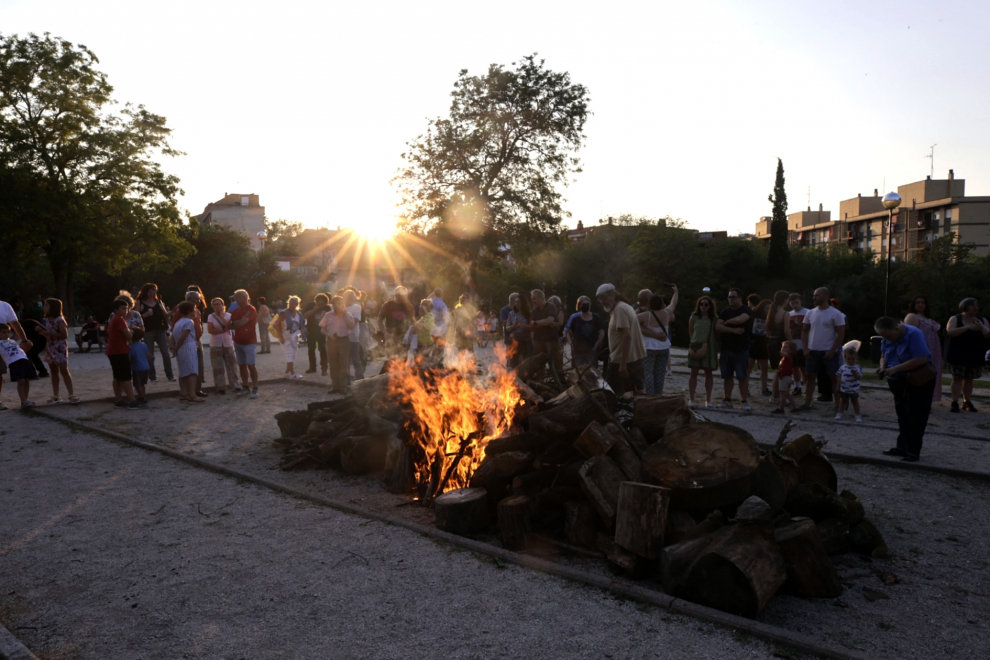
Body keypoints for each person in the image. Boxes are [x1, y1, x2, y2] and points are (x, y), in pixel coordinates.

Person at [876, 316, 936, 462]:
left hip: (918, 379)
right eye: (884, 337)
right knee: (902, 414)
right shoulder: (888, 336)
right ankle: (902, 447)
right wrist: (883, 367)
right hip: (899, 381)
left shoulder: (914, 334)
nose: (888, 340)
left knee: (916, 415)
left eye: (889, 336)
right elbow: (883, 354)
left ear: (896, 328)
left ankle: (913, 451)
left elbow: (921, 358)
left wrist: (895, 369)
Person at [795, 288, 846, 412]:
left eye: (817, 296)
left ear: (825, 296)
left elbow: (841, 334)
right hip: (812, 351)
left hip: (828, 352)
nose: (814, 298)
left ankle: (838, 405)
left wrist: (832, 350)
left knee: (834, 378)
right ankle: (807, 403)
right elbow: (804, 331)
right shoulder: (810, 313)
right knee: (810, 377)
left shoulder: (836, 314)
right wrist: (805, 349)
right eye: (814, 295)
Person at [597, 284, 646, 395]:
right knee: (639, 392)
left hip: (621, 360)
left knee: (611, 394)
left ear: (613, 295)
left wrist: (622, 364)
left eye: (604, 298)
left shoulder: (619, 310)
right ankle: (639, 411)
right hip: (635, 358)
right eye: (599, 298)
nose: (601, 301)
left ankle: (612, 412)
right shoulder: (625, 306)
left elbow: (627, 336)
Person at [945, 297, 990, 413]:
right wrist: (967, 327)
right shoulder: (956, 318)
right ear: (964, 306)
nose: (975, 307)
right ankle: (954, 402)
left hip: (975, 354)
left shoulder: (982, 319)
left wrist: (982, 327)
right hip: (957, 353)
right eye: (972, 305)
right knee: (957, 378)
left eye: (977, 305)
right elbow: (950, 332)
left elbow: (988, 335)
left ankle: (967, 401)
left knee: (969, 379)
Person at [715, 288, 753, 411]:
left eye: (733, 297)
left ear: (740, 298)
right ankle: (727, 399)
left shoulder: (747, 310)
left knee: (742, 376)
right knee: (727, 376)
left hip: (741, 349)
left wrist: (727, 322)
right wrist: (733, 330)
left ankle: (744, 401)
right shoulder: (725, 311)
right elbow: (718, 327)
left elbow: (740, 320)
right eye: (729, 297)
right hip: (726, 348)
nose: (730, 299)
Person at [903, 295, 942, 403]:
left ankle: (927, 400)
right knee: (920, 374)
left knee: (930, 374)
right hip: (921, 350)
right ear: (913, 305)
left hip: (934, 351)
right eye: (917, 302)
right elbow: (909, 335)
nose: (920, 304)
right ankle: (916, 400)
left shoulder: (929, 319)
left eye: (923, 302)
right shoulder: (912, 317)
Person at [38, 298, 78, 404]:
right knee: (54, 371)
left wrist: (48, 334)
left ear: (53, 307)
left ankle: (71, 394)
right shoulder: (48, 319)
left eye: (46, 305)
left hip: (59, 347)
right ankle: (56, 395)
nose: (44, 307)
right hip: (50, 347)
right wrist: (43, 332)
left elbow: (64, 335)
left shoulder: (59, 320)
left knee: (64, 370)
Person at [107, 299, 142, 409]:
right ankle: (132, 400)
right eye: (122, 308)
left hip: (113, 351)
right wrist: (131, 331)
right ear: (116, 310)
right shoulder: (119, 320)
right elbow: (129, 335)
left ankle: (119, 400)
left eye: (126, 308)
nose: (125, 310)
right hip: (120, 351)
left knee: (117, 376)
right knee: (126, 377)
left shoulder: (114, 319)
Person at [171, 291, 208, 397]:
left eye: (199, 299)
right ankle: (190, 392)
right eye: (196, 299)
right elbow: (178, 331)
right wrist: (175, 346)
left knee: (198, 366)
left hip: (195, 340)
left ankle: (196, 389)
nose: (199, 301)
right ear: (189, 300)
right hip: (188, 344)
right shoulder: (183, 314)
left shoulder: (197, 311)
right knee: (191, 369)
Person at [137, 283, 173, 382]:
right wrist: (145, 315)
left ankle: (170, 375)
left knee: (165, 352)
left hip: (160, 329)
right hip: (148, 330)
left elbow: (166, 315)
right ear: (148, 291)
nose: (155, 291)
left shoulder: (159, 302)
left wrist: (173, 311)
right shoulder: (140, 302)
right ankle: (152, 376)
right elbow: (136, 317)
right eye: (153, 289)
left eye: (156, 289)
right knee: (150, 354)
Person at [320, 295, 357, 393]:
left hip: (343, 340)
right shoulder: (328, 315)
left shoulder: (348, 314)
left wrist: (345, 315)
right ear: (333, 305)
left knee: (343, 364)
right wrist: (329, 335)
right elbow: (322, 329)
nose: (341, 305)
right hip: (331, 341)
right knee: (333, 364)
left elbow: (351, 326)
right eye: (338, 303)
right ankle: (335, 386)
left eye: (342, 303)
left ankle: (343, 386)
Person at [687, 296, 719, 408]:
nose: (703, 306)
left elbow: (717, 332)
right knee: (693, 373)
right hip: (696, 346)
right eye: (701, 304)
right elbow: (691, 332)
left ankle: (708, 399)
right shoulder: (694, 317)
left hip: (709, 347)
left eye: (706, 304)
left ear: (710, 306)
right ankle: (691, 398)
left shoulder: (714, 318)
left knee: (708, 373)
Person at [229, 289, 260, 399]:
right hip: (238, 342)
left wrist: (237, 323)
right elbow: (230, 325)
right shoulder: (236, 311)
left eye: (237, 297)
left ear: (244, 297)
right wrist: (238, 322)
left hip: (249, 342)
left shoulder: (251, 309)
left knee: (251, 365)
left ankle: (255, 388)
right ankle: (245, 387)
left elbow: (239, 324)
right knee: (242, 366)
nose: (235, 299)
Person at [207, 297, 241, 395]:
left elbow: (230, 326)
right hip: (215, 344)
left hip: (228, 343)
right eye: (215, 304)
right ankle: (220, 387)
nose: (217, 306)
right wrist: (223, 330)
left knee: (232, 365)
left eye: (218, 304)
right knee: (217, 366)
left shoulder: (229, 315)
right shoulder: (211, 316)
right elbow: (210, 330)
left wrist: (222, 316)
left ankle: (235, 385)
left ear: (223, 305)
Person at [639, 295, 671, 395]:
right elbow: (673, 303)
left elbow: (631, 319)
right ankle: (658, 395)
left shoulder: (645, 315)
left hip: (649, 347)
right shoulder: (666, 313)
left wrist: (639, 309)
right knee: (660, 374)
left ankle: (650, 395)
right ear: (662, 304)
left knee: (648, 373)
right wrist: (675, 292)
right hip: (664, 346)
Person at [0, 323, 37, 409]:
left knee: (27, 380)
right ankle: (23, 400)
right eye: (3, 332)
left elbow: (19, 347)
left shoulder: (12, 341)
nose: (7, 334)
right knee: (21, 381)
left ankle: (25, 400)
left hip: (23, 359)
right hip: (14, 362)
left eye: (8, 332)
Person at [0, 301, 28, 410]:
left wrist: (24, 340)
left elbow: (15, 324)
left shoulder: (4, 306)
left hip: (2, 345)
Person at [565, 296, 604, 370]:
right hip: (578, 352)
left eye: (587, 304)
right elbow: (568, 333)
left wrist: (595, 346)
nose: (586, 305)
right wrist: (571, 344)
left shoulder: (596, 317)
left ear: (590, 305)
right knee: (578, 373)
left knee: (593, 372)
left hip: (591, 350)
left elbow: (601, 333)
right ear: (579, 305)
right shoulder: (575, 319)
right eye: (583, 304)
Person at [530, 290, 563, 379]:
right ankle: (541, 385)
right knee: (539, 365)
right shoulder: (535, 311)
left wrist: (536, 323)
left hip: (552, 340)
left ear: (541, 298)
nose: (533, 301)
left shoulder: (551, 306)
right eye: (532, 299)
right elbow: (532, 325)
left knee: (557, 364)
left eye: (534, 299)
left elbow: (550, 320)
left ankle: (560, 385)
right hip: (538, 341)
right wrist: (544, 323)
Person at [273, 295, 304, 379]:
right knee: (289, 353)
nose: (291, 305)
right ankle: (292, 373)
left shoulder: (299, 314)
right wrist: (280, 336)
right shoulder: (284, 313)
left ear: (297, 304)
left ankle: (287, 372)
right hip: (285, 335)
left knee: (293, 354)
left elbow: (301, 325)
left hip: (294, 336)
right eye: (290, 303)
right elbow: (276, 324)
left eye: (293, 304)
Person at [379, 286, 415, 356]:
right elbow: (379, 320)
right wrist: (385, 332)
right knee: (390, 361)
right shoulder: (388, 305)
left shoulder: (409, 306)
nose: (405, 298)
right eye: (403, 296)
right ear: (396, 296)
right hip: (390, 336)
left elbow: (413, 321)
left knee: (403, 360)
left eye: (406, 296)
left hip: (404, 338)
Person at [747, 297, 771, 396]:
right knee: (748, 368)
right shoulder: (753, 314)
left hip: (763, 344)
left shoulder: (770, 318)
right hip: (752, 343)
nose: (768, 310)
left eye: (770, 308)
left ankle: (764, 388)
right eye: (766, 308)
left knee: (764, 368)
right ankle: (745, 388)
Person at [835, 340, 863, 422]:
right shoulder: (842, 367)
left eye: (852, 359)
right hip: (844, 388)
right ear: (845, 358)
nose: (850, 361)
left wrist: (855, 374)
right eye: (848, 359)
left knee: (855, 402)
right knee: (843, 401)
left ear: (856, 359)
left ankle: (857, 415)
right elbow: (839, 376)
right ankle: (840, 413)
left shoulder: (858, 368)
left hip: (854, 389)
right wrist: (838, 385)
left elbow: (859, 378)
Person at [786, 293, 807, 397]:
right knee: (794, 367)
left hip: (803, 344)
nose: (795, 305)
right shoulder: (789, 314)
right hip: (793, 343)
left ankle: (808, 387)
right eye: (792, 303)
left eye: (796, 302)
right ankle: (797, 386)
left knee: (803, 368)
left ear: (800, 301)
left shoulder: (807, 312)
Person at [303, 294, 330, 375]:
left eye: (323, 304)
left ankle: (324, 368)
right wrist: (313, 310)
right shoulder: (311, 305)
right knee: (311, 350)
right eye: (319, 303)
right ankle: (312, 367)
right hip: (311, 331)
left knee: (322, 350)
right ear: (316, 301)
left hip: (322, 331)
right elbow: (304, 316)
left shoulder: (327, 308)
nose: (321, 305)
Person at [505, 293, 532, 370]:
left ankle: (525, 378)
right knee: (513, 361)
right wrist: (513, 326)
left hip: (525, 340)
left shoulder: (528, 313)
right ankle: (512, 378)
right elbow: (507, 328)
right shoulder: (512, 313)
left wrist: (525, 326)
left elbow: (532, 328)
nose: (516, 303)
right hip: (514, 340)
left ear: (523, 303)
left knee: (526, 361)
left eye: (519, 302)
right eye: (516, 301)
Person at [770, 341, 798, 416]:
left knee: (782, 395)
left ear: (791, 350)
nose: (783, 348)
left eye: (785, 347)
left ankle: (781, 408)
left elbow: (786, 354)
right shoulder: (786, 357)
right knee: (787, 394)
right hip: (787, 378)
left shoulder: (788, 356)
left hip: (785, 378)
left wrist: (783, 353)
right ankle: (795, 407)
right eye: (782, 347)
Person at [344, 290, 365, 382]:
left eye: (351, 296)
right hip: (342, 337)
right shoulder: (341, 307)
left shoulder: (357, 307)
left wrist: (347, 323)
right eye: (348, 296)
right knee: (345, 360)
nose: (350, 298)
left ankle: (359, 378)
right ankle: (347, 378)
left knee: (355, 358)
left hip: (353, 336)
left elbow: (356, 320)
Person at [130, 328, 151, 406]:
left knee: (137, 384)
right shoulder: (144, 344)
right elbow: (148, 355)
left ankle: (142, 398)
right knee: (142, 384)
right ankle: (143, 396)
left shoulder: (131, 347)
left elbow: (129, 358)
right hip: (146, 367)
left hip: (137, 368)